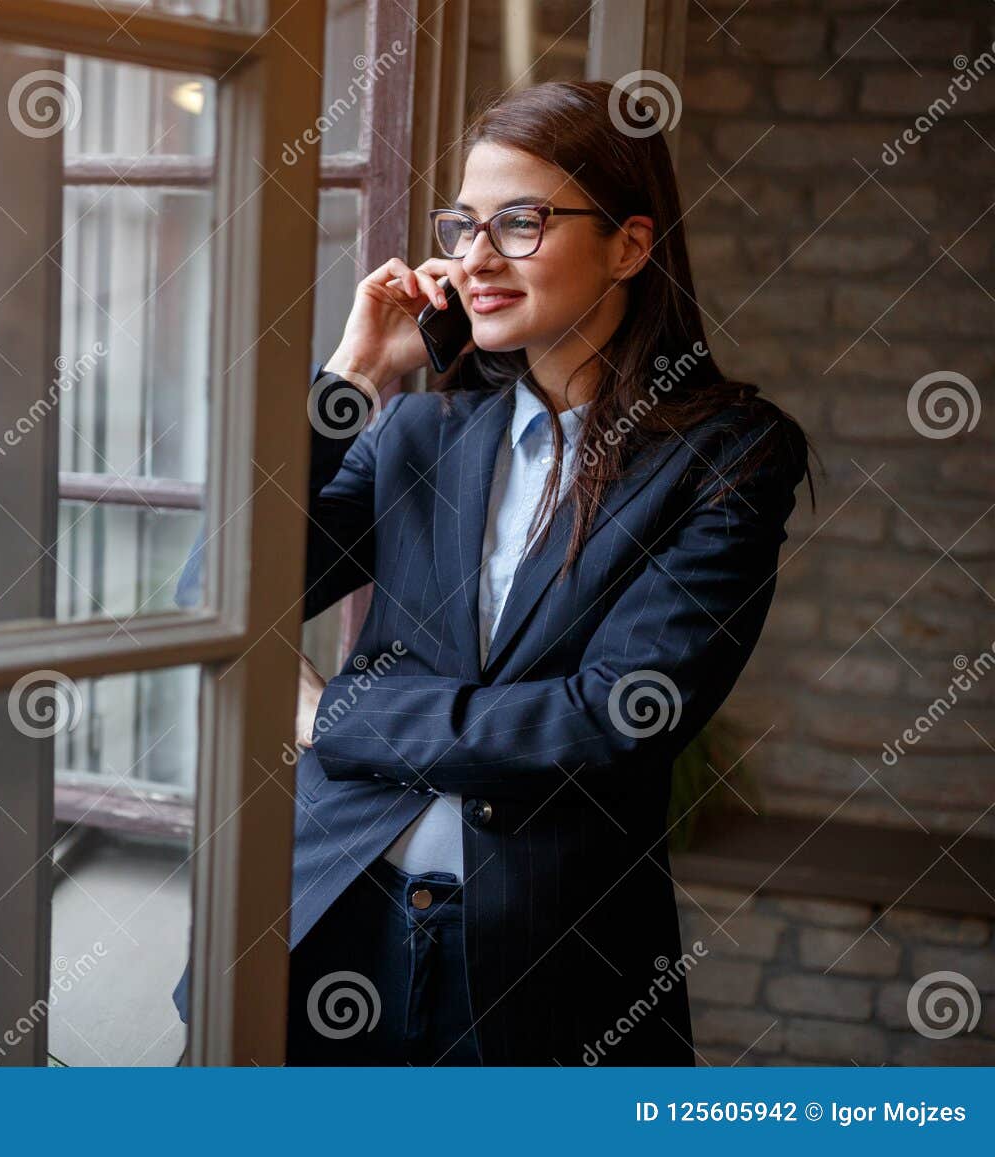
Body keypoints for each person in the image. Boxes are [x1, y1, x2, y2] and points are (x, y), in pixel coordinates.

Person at [170, 78, 815, 1066]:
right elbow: (218, 584)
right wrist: (355, 379)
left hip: (544, 970)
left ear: (630, 245)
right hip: (327, 914)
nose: (476, 257)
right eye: (463, 225)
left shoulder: (729, 454)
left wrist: (327, 716)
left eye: (521, 222)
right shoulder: (424, 427)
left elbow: (609, 718)